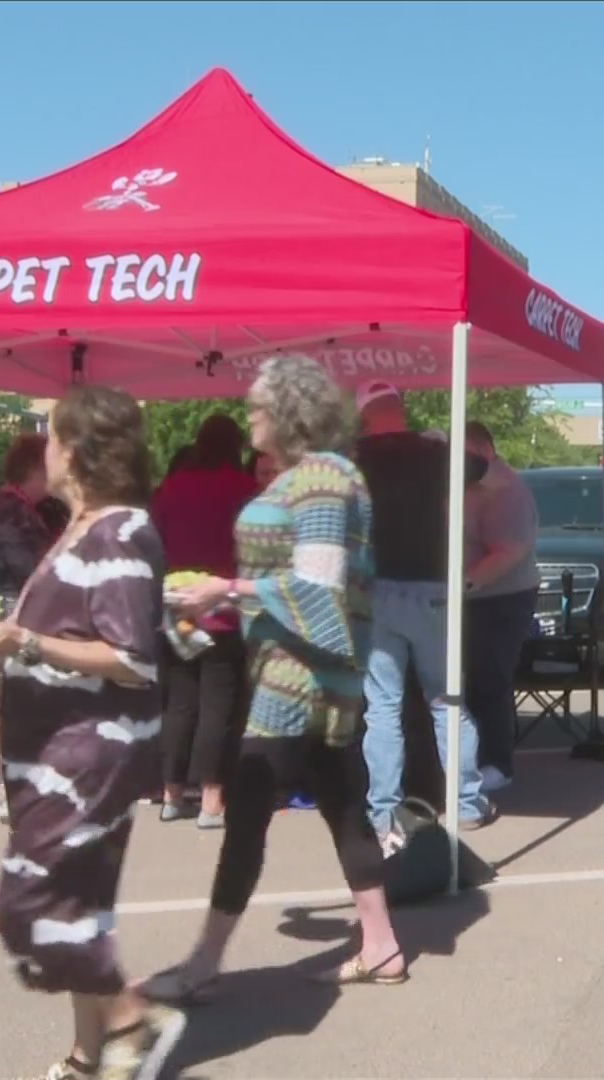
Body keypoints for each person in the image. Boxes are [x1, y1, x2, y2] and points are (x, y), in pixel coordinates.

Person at [147, 355, 407, 1003]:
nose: (249, 416)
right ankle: (382, 947)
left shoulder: (321, 478)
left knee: (249, 812)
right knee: (345, 807)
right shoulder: (314, 476)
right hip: (314, 675)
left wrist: (225, 588)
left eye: (259, 406)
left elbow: (318, 585)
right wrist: (218, 601)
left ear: (291, 412)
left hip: (299, 680)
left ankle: (205, 960)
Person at [0, 386, 185, 1080]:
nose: (44, 446)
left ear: (80, 449)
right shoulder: (79, 525)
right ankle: (90, 1056)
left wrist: (28, 644)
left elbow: (130, 657)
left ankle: (131, 1017)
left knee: (27, 902)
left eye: (51, 434)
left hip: (89, 754)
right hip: (54, 750)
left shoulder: (120, 531)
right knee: (78, 906)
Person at [351, 381, 495, 845]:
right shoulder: (432, 452)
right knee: (446, 700)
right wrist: (444, 443)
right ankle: (467, 804)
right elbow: (480, 466)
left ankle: (382, 813)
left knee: (382, 708)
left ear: (364, 416)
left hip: (376, 588)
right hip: (432, 587)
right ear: (402, 409)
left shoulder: (353, 458)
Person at [150, 414, 258, 829]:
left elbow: (154, 544)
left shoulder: (171, 489)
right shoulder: (244, 490)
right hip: (223, 608)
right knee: (219, 705)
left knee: (179, 704)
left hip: (176, 609)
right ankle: (212, 799)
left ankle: (171, 794)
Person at [0, 434, 57, 823]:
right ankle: (7, 790)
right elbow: (28, 569)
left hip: (7, 616)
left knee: (16, 706)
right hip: (4, 617)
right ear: (37, 470)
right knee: (17, 706)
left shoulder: (29, 509)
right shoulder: (8, 513)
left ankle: (5, 787)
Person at [462, 420, 540, 793]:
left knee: (489, 680)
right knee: (466, 682)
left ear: (485, 451)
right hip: (468, 597)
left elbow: (509, 550)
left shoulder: (506, 489)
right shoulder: (467, 486)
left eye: (465, 453)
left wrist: (466, 581)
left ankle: (497, 764)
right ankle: (470, 759)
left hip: (500, 598)